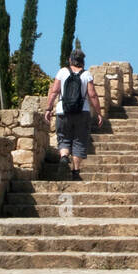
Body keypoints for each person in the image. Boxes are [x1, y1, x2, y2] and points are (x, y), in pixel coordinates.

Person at [45, 49, 102, 180]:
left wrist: (48, 108)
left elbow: (54, 91)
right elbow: (92, 95)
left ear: (70, 60)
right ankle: (76, 171)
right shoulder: (87, 74)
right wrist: (99, 113)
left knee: (63, 137)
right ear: (83, 61)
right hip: (82, 112)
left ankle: (64, 157)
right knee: (79, 140)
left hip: (63, 111)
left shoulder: (62, 72)